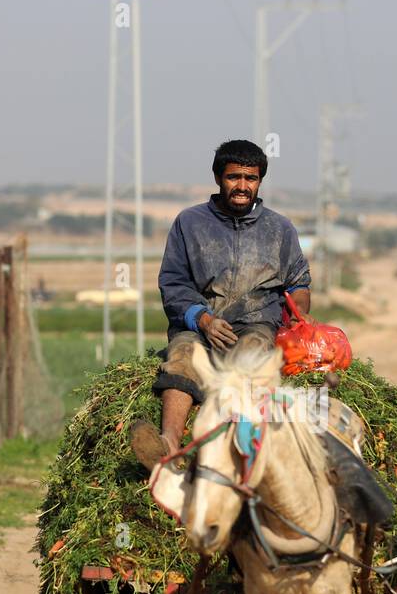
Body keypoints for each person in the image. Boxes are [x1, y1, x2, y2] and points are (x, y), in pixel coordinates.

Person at [130, 139, 311, 468]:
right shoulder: (189, 223)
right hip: (199, 325)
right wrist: (203, 320)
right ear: (218, 179)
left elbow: (298, 283)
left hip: (256, 324)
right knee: (183, 356)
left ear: (259, 182)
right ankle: (167, 443)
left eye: (251, 179)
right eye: (234, 178)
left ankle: (233, 450)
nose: (242, 186)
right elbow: (173, 282)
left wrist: (299, 316)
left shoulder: (280, 229)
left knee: (250, 360)